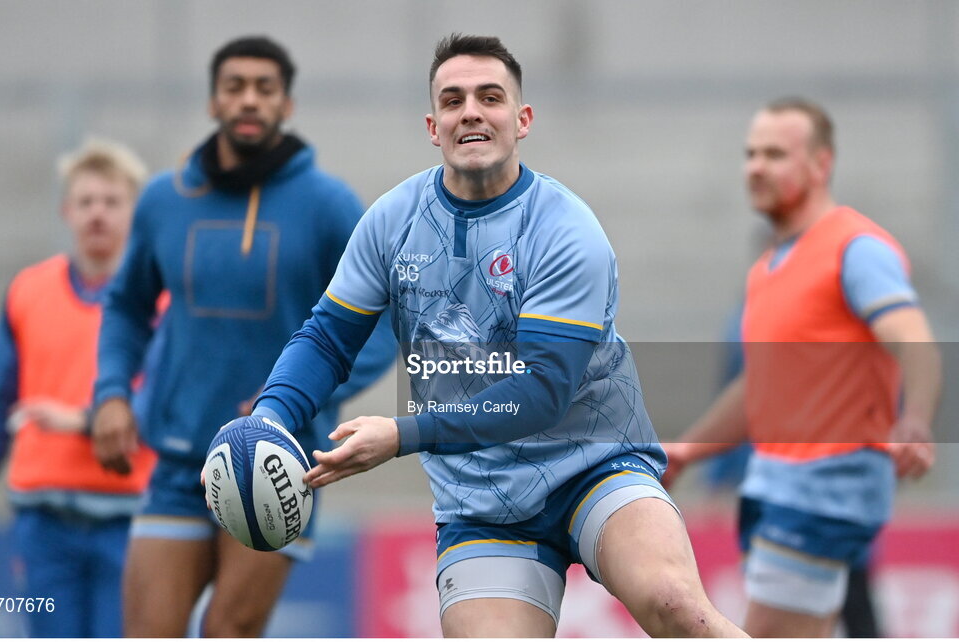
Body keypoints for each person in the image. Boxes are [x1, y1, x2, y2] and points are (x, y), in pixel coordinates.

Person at [242, 33, 746, 638]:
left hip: (595, 466)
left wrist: (401, 436)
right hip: (480, 503)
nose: (471, 112)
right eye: (453, 101)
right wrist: (267, 420)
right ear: (434, 126)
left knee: (675, 606)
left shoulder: (566, 230)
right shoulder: (391, 221)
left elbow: (540, 393)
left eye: (490, 97)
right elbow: (327, 339)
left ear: (521, 119)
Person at [91, 35, 396, 638]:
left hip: (280, 460)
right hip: (178, 458)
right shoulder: (163, 199)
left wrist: (298, 398)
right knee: (147, 630)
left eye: (265, 88)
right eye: (235, 87)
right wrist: (111, 393)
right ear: (213, 102)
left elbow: (383, 319)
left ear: (287, 104)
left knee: (229, 631)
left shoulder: (328, 203)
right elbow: (125, 305)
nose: (249, 100)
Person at [664, 98, 941, 637]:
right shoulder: (769, 267)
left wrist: (916, 418)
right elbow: (764, 387)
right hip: (776, 486)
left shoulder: (855, 248)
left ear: (821, 164)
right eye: (750, 154)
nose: (756, 167)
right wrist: (689, 450)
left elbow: (916, 342)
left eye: (775, 154)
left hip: (823, 491)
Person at [0, 138, 155, 637]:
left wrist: (81, 420)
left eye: (111, 201)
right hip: (44, 526)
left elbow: (167, 402)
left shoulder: (158, 298)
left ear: (133, 212)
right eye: (86, 202)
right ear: (66, 211)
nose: (97, 213)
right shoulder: (27, 292)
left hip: (132, 523)